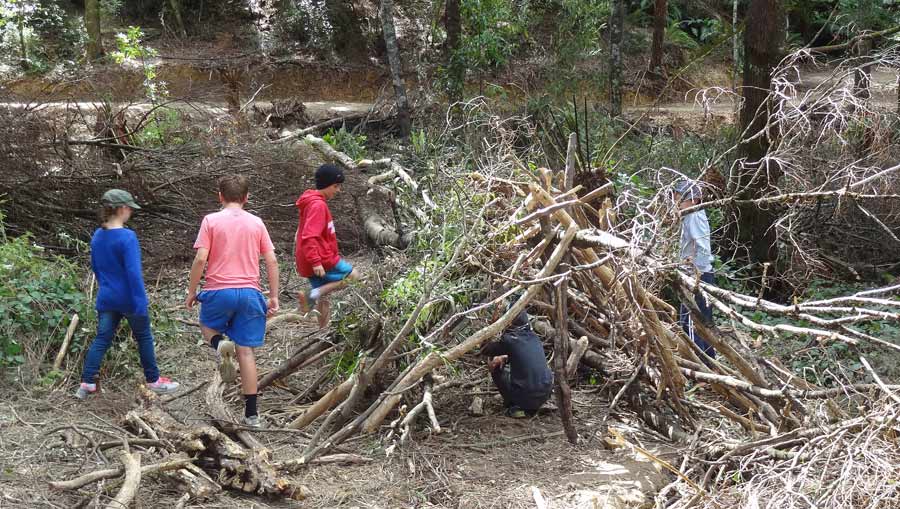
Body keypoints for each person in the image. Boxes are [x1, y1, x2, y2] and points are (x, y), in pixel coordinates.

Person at [185, 175, 280, 428]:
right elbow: (271, 260)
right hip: (250, 293)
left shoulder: (211, 221)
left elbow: (200, 259)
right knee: (246, 352)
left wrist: (192, 291)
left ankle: (218, 344)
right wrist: (273, 296)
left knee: (207, 326)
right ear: (246, 197)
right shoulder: (257, 223)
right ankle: (252, 415)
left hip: (218, 291)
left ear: (220, 196)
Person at [76, 189, 180, 399]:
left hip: (106, 297)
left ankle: (87, 383)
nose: (131, 211)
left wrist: (107, 286)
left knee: (102, 338)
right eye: (130, 208)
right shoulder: (127, 237)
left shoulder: (98, 236)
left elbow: (95, 267)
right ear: (122, 209)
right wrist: (140, 301)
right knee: (143, 337)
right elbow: (133, 273)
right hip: (129, 298)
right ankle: (154, 381)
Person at [295, 164, 359, 328]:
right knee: (354, 276)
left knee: (324, 298)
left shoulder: (311, 202)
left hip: (311, 257)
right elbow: (309, 235)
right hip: (322, 258)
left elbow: (301, 233)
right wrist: (316, 261)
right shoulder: (318, 205)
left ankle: (322, 332)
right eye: (336, 186)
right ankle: (311, 295)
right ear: (326, 185)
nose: (338, 190)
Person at [480, 310, 553, 418]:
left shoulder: (509, 340)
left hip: (526, 398)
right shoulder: (534, 337)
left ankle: (515, 406)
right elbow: (522, 355)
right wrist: (505, 357)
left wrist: (492, 327)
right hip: (545, 394)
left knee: (495, 367)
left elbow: (484, 349)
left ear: (509, 322)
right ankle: (533, 405)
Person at [674, 179, 716, 360]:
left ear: (694, 200)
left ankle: (699, 365)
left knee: (691, 324)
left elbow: (703, 249)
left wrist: (694, 275)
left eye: (680, 198)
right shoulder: (690, 216)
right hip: (699, 275)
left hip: (696, 277)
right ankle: (710, 364)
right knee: (704, 324)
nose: (676, 202)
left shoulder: (694, 216)